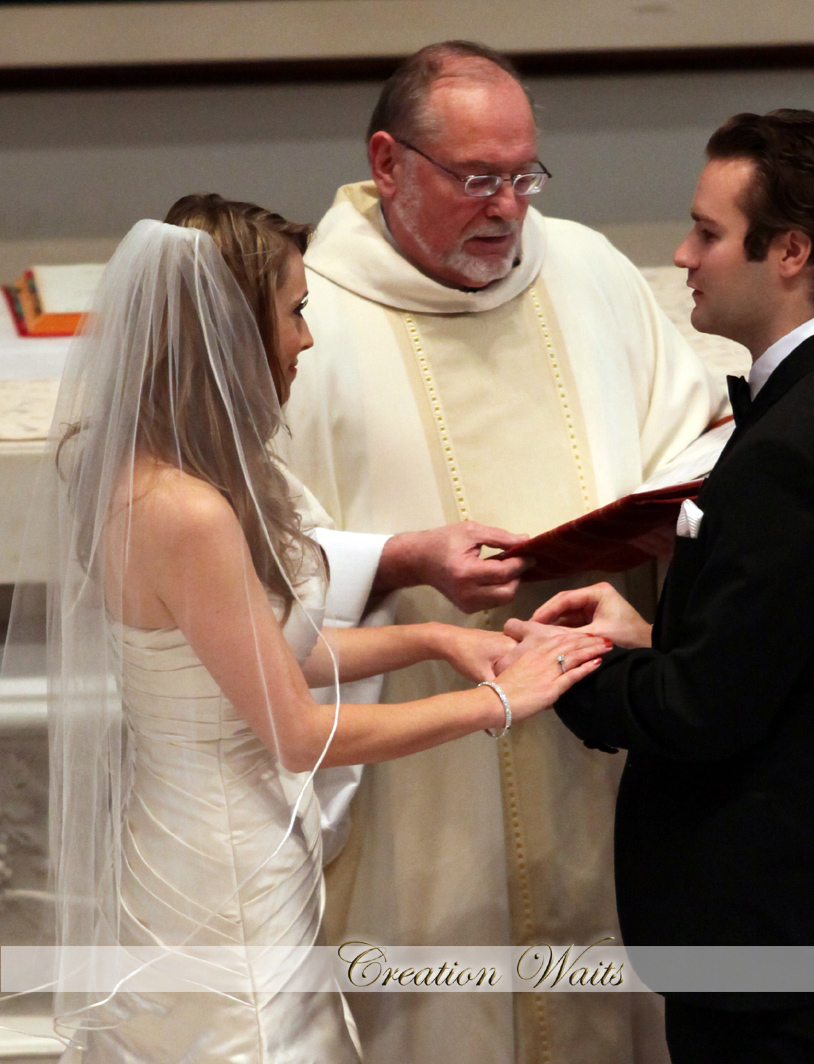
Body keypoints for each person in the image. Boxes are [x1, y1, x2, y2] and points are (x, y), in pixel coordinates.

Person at [0, 195, 606, 1062]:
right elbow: (294, 730)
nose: (307, 339)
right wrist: (498, 703)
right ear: (235, 333)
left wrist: (435, 641)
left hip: (186, 850)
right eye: (295, 312)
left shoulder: (141, 476)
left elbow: (255, 661)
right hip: (226, 878)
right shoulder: (189, 511)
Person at [282, 40, 726, 1063]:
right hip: (417, 763)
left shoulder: (587, 271)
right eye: (477, 178)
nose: (509, 207)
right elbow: (253, 550)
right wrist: (397, 558)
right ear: (387, 163)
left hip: (595, 715)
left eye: (525, 175)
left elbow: (693, 433)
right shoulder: (307, 313)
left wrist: (646, 521)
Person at [529, 109, 814, 1063]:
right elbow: (801, 652)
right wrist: (652, 637)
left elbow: (702, 712)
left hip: (749, 915)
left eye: (709, 232)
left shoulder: (797, 445)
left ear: (791, 250)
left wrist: (566, 665)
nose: (684, 255)